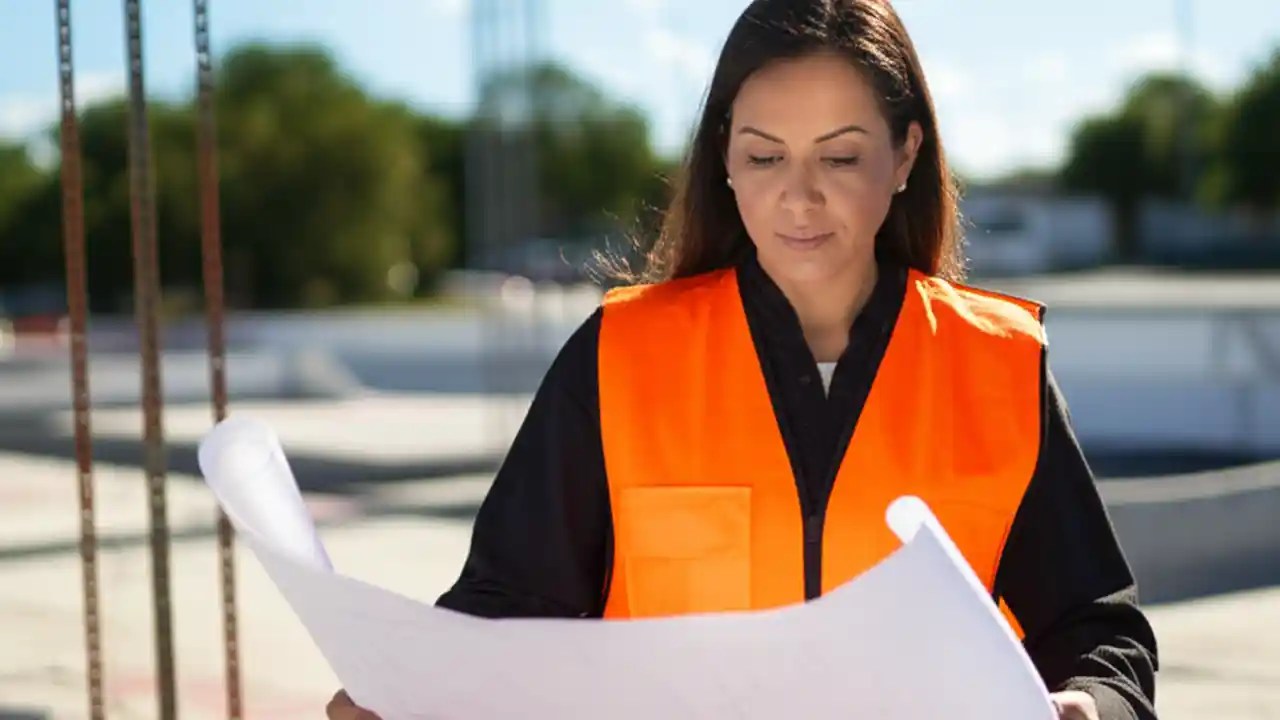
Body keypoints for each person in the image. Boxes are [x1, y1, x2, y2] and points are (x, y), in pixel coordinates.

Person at [328, 0, 1158, 718]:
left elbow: (1097, 632)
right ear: (724, 156)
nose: (799, 196)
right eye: (765, 156)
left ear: (905, 156)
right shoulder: (618, 359)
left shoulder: (997, 367)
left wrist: (1093, 706)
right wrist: (412, 694)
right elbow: (503, 612)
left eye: (840, 156)